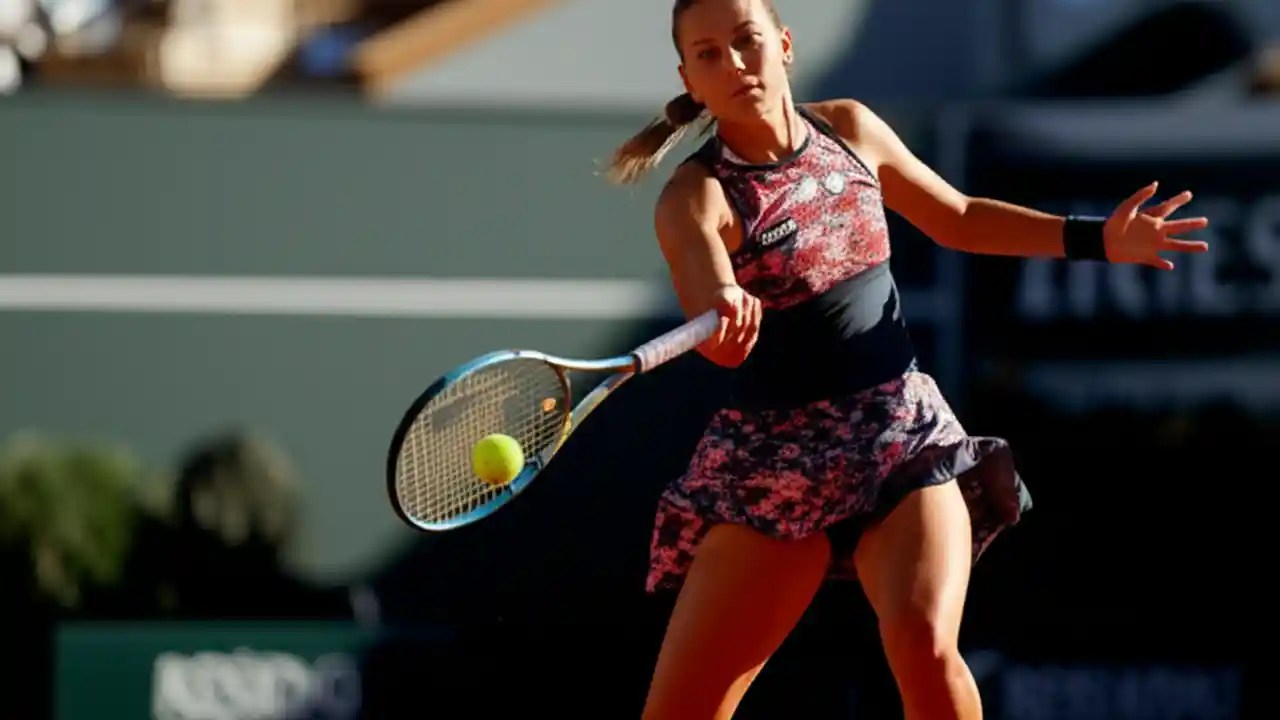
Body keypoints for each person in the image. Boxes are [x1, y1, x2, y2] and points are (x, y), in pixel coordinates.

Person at [604, 1, 1211, 718]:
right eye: (710, 54)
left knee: (924, 644)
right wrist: (726, 311)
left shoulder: (852, 129)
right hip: (771, 468)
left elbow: (956, 216)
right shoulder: (694, 198)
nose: (735, 63)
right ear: (690, 80)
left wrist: (1096, 241)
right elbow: (714, 311)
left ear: (785, 45)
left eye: (747, 41)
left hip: (898, 435)